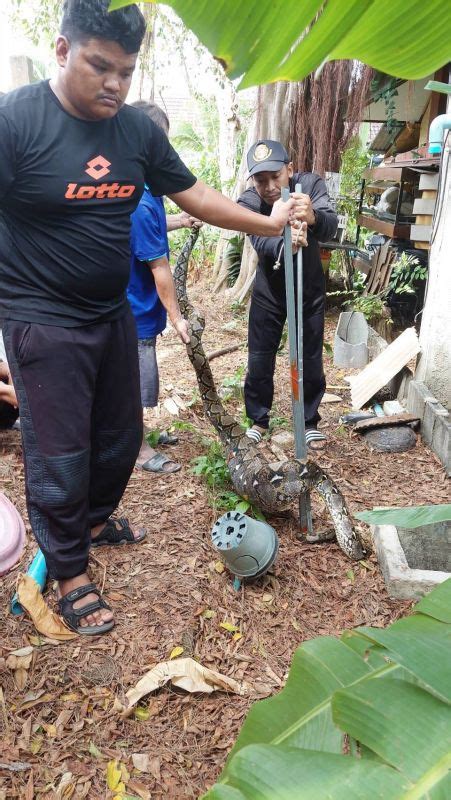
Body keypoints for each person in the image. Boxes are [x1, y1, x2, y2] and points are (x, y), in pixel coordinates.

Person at [0, 1, 300, 635]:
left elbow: (194, 195)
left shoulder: (135, 131)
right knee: (59, 453)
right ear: (61, 51)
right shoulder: (15, 121)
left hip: (110, 314)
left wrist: (268, 222)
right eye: (100, 66)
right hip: (40, 317)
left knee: (120, 438)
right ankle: (70, 569)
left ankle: (90, 518)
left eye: (126, 72)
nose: (114, 83)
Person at [237, 139, 338, 450]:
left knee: (310, 356)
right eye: (260, 179)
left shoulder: (310, 185)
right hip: (269, 292)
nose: (268, 187)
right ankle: (258, 419)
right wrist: (283, 240)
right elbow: (257, 239)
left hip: (308, 291)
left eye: (275, 177)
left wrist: (313, 217)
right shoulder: (248, 202)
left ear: (289, 170)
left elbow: (331, 225)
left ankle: (308, 421)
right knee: (259, 358)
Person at [128, 101, 201, 475]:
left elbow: (156, 223)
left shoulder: (147, 190)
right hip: (133, 312)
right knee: (135, 384)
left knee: (141, 379)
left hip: (141, 309)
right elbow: (159, 267)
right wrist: (177, 317)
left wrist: (181, 219)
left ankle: (140, 436)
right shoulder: (137, 201)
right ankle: (138, 449)